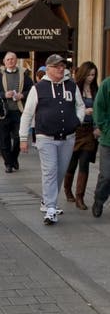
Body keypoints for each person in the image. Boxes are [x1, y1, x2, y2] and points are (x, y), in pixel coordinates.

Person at [19, 54, 85, 225]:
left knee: (60, 171)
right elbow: (27, 113)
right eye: (57, 66)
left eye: (63, 66)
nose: (61, 69)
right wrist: (23, 137)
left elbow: (80, 105)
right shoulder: (38, 88)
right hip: (45, 137)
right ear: (48, 69)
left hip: (68, 137)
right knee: (50, 171)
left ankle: (47, 201)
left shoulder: (71, 86)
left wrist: (78, 120)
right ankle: (50, 208)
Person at [63, 62, 98, 210]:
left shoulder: (95, 89)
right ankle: (67, 190)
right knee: (72, 163)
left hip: (90, 131)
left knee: (84, 164)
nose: (91, 78)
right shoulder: (74, 88)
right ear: (83, 74)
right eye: (89, 74)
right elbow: (68, 109)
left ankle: (80, 197)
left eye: (94, 75)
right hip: (76, 130)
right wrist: (84, 112)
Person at [0, 52, 33, 173]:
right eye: (8, 59)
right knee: (4, 139)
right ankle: (8, 163)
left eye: (13, 59)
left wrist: (22, 95)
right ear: (4, 62)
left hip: (18, 111)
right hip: (4, 112)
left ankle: (14, 158)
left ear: (16, 61)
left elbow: (31, 89)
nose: (10, 61)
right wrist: (4, 95)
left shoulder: (24, 75)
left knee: (18, 137)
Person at [91, 74, 110, 218]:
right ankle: (99, 199)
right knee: (107, 175)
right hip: (108, 140)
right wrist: (105, 128)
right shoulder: (106, 85)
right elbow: (98, 108)